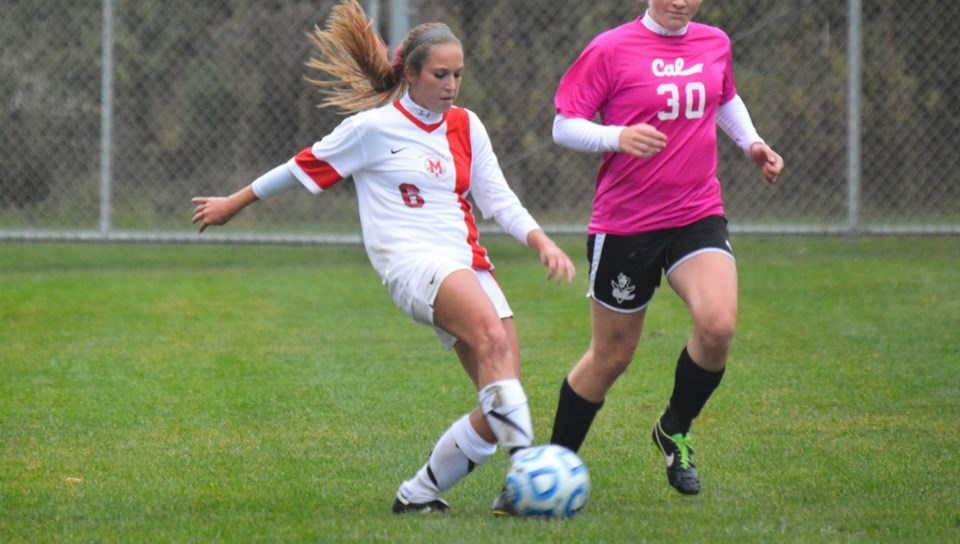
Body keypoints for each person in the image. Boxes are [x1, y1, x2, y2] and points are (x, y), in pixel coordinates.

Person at [191, 0, 575, 514]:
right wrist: (232, 204)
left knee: (501, 394)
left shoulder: (466, 125)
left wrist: (541, 240)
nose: (451, 85)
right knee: (489, 337)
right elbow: (297, 166)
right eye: (440, 74)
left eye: (458, 74)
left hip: (468, 264)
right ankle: (530, 468)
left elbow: (498, 199)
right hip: (414, 266)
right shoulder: (372, 130)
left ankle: (417, 495)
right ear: (411, 74)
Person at [547, 0, 784, 496]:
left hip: (696, 211)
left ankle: (674, 429)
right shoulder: (610, 49)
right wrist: (616, 137)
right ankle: (549, 470)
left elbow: (723, 98)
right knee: (611, 357)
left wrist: (752, 143)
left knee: (717, 325)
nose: (681, 1)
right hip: (626, 223)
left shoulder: (714, 42)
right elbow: (564, 124)